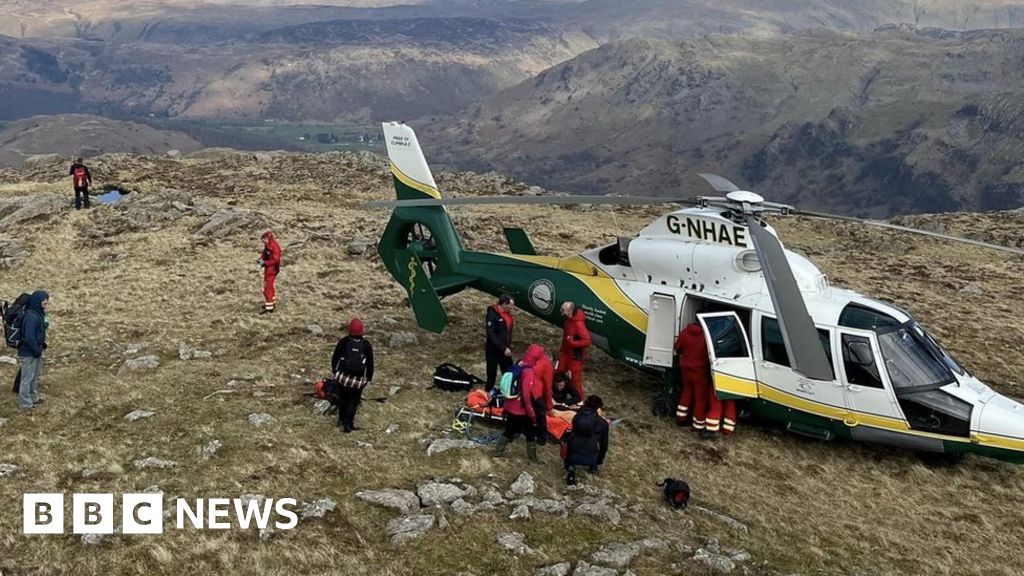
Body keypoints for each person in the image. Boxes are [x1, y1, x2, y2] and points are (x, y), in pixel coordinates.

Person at [494, 344, 543, 463]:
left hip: (510, 404)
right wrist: (531, 412)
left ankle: (497, 451)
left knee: (510, 429)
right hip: (520, 408)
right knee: (530, 432)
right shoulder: (529, 371)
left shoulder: (519, 363)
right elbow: (526, 394)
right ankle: (533, 458)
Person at [331, 318, 374, 432]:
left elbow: (335, 358)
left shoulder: (344, 342)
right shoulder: (366, 345)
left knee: (343, 399)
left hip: (342, 378)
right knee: (353, 401)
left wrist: (335, 372)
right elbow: (370, 364)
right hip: (357, 382)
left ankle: (340, 419)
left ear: (350, 330)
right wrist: (368, 379)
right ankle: (348, 424)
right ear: (361, 331)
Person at [674, 322, 715, 437]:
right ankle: (698, 424)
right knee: (700, 398)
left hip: (685, 370)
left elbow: (677, 347)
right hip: (700, 372)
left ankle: (680, 418)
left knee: (686, 392)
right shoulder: (706, 336)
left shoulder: (685, 332)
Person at [563, 395, 609, 485]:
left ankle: (571, 468)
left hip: (573, 452)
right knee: (592, 448)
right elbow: (604, 444)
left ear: (585, 403)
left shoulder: (577, 417)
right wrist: (599, 460)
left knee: (572, 443)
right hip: (591, 455)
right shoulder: (602, 423)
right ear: (598, 407)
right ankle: (593, 469)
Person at [17, 291, 49, 410]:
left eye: (47, 300)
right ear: (37, 301)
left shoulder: (38, 314)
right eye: (44, 301)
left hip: (36, 351)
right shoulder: (31, 316)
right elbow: (29, 337)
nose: (46, 303)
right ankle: (25, 404)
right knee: (27, 378)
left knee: (34, 376)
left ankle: (33, 398)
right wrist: (36, 350)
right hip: (29, 352)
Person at [555, 301, 591, 399]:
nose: (561, 311)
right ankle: (559, 394)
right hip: (566, 353)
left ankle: (579, 400)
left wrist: (573, 343)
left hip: (575, 357)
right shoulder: (568, 320)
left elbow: (587, 341)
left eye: (563, 309)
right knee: (559, 373)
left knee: (575, 380)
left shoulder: (578, 324)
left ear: (570, 311)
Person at [484, 293, 515, 391]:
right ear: (504, 304)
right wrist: (503, 348)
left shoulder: (507, 314)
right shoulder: (492, 315)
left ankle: (508, 392)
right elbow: (491, 334)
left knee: (509, 374)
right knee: (491, 376)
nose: (513, 307)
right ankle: (487, 395)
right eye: (511, 305)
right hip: (493, 351)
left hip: (505, 350)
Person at [533, 348, 555, 445]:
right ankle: (541, 439)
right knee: (541, 417)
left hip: (524, 390)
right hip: (536, 393)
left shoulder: (529, 359)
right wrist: (549, 407)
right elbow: (547, 386)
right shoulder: (546, 364)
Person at [258, 231, 282, 314]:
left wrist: (265, 263)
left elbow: (276, 260)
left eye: (264, 240)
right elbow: (265, 254)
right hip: (268, 268)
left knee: (268, 287)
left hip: (272, 269)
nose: (263, 242)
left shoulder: (275, 247)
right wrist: (261, 259)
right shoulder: (268, 246)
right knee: (268, 286)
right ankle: (271, 302)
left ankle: (269, 308)